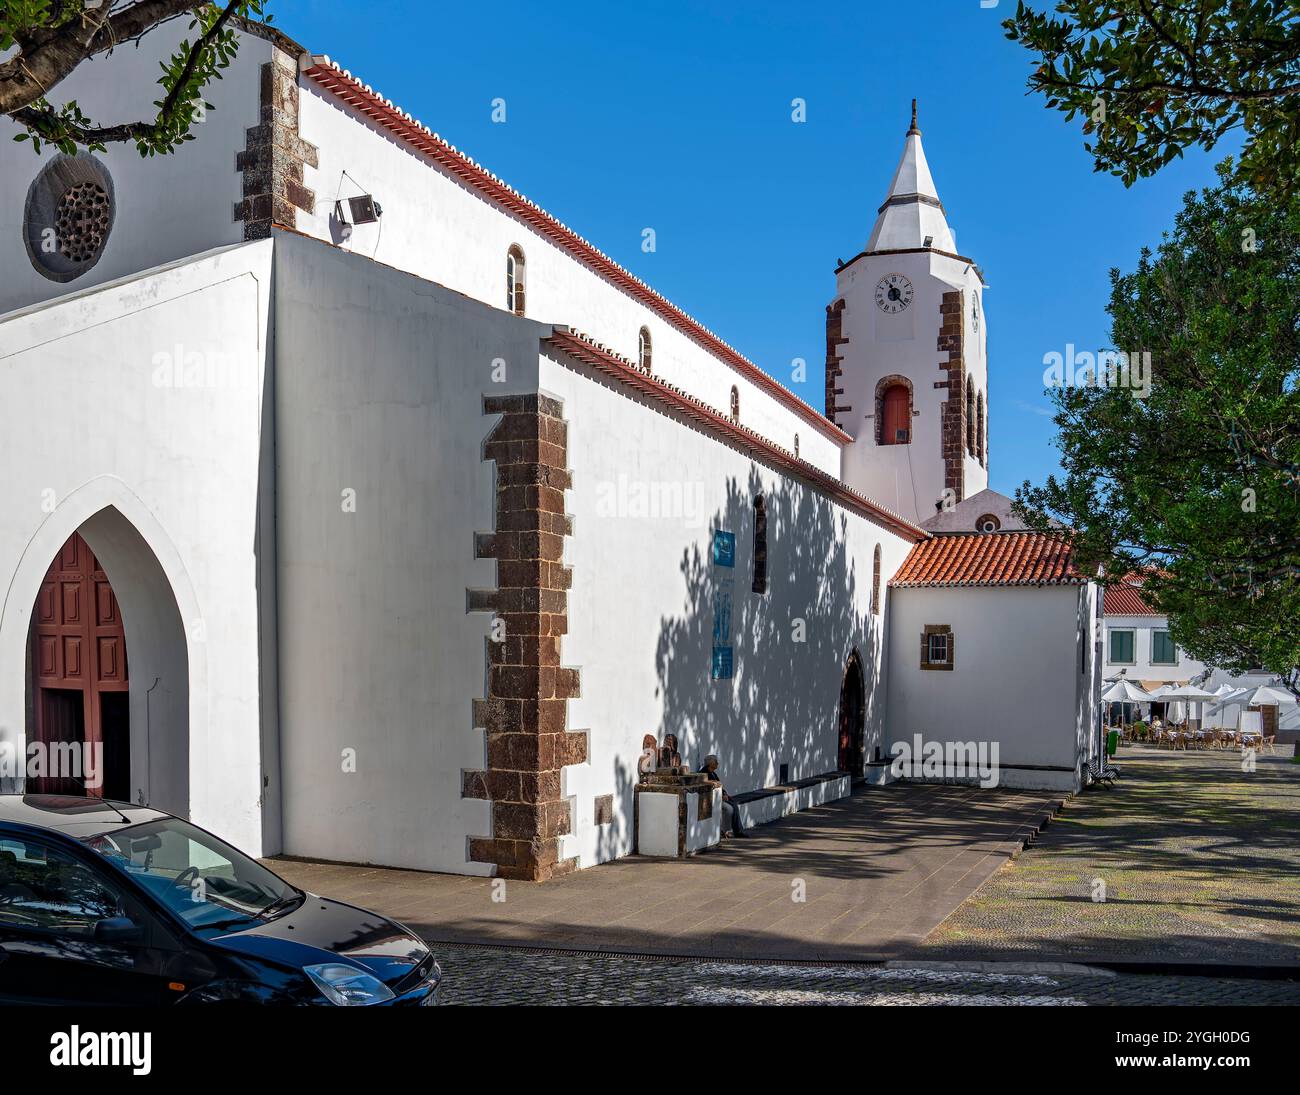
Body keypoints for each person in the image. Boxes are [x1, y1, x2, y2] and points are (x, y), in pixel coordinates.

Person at [698, 755, 746, 839]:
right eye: (715, 761)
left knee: (734, 805)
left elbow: (720, 787)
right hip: (712, 799)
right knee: (729, 809)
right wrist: (721, 795)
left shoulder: (713, 773)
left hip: (719, 797)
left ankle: (737, 831)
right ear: (710, 763)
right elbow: (707, 785)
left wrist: (725, 794)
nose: (717, 763)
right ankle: (726, 831)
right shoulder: (704, 773)